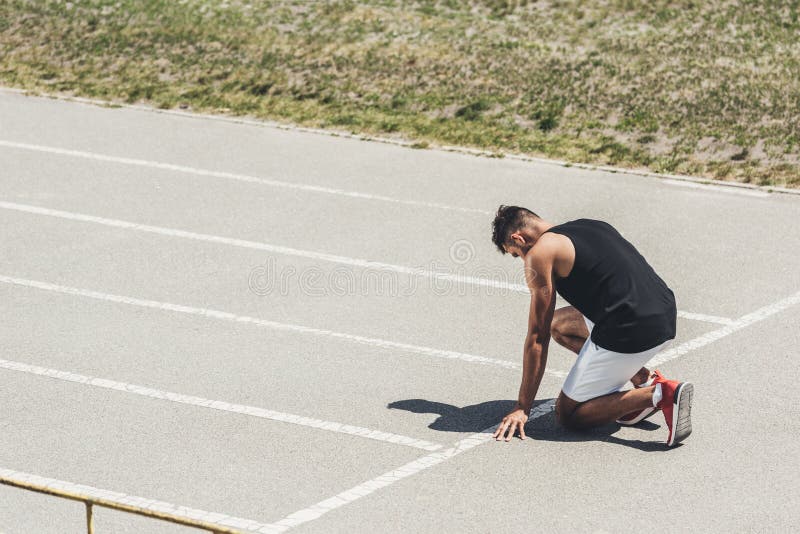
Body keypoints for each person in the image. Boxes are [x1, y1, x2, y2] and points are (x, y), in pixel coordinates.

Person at [490, 206, 692, 447]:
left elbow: (537, 336)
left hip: (632, 330)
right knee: (559, 325)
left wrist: (523, 407)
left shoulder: (540, 253)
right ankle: (643, 379)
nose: (522, 260)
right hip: (664, 316)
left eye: (516, 254)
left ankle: (660, 394)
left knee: (568, 415)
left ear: (518, 238)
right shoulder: (590, 225)